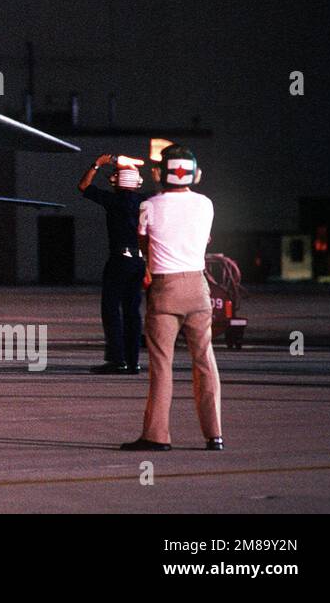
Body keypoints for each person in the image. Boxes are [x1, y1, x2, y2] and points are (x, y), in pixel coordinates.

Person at [121, 145, 223, 451]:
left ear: (158, 173)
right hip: (198, 287)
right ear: (195, 174)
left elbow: (143, 242)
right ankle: (214, 434)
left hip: (166, 289)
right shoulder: (206, 204)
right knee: (205, 360)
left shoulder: (149, 206)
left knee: (162, 365)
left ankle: (157, 435)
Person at [78, 153, 149, 374]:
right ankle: (133, 361)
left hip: (119, 260)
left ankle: (117, 359)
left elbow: (83, 186)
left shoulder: (113, 200)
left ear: (117, 181)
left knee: (111, 309)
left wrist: (97, 163)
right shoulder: (146, 202)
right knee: (133, 311)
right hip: (139, 261)